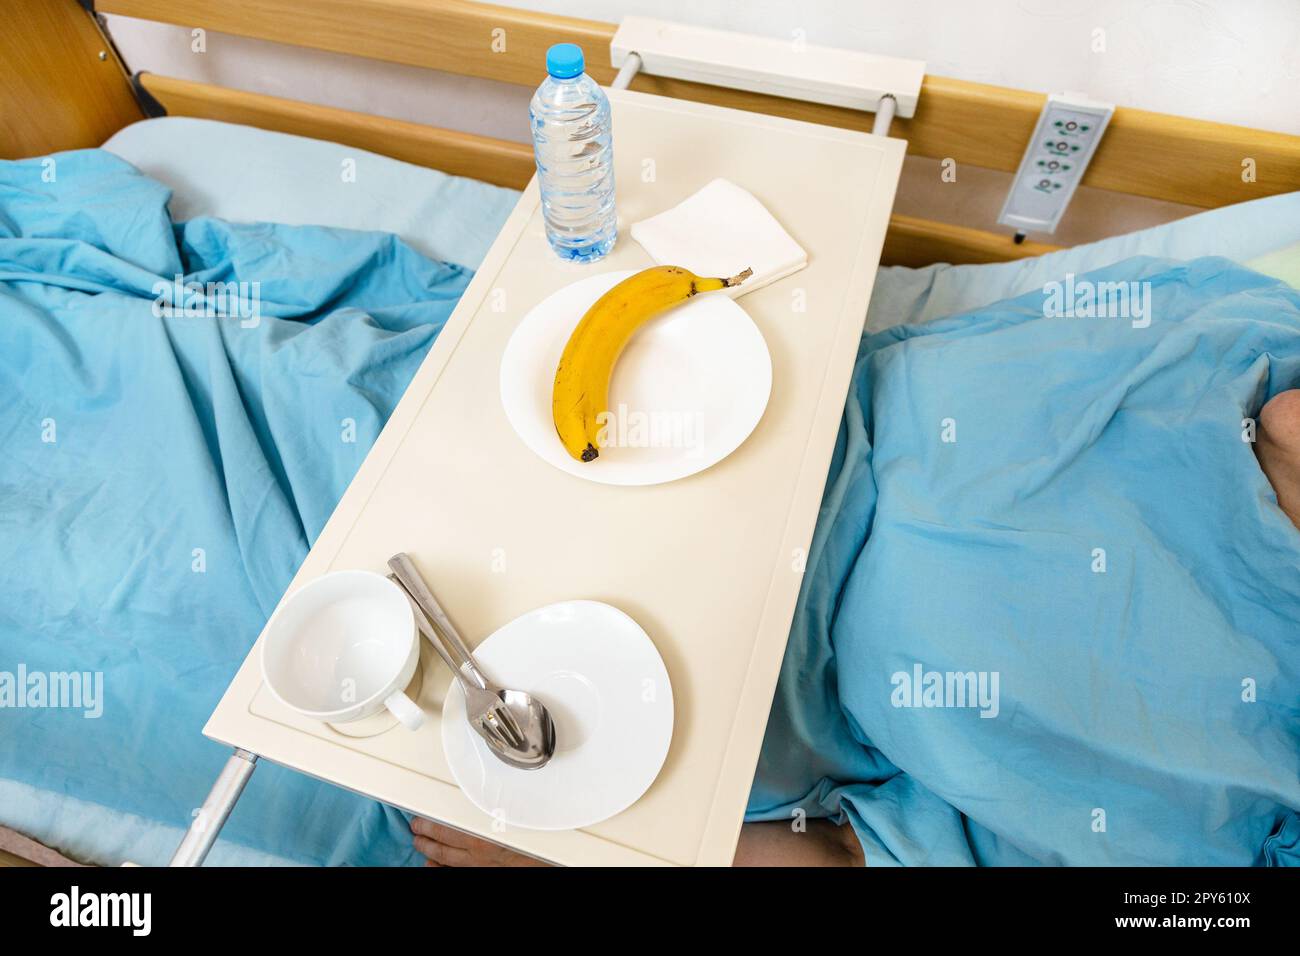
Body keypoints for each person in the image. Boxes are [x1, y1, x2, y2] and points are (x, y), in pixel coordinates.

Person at [410, 390, 1300, 867]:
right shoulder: (1239, 326)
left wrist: (592, 856)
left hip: (673, 665)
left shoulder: (1244, 810)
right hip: (683, 430)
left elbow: (848, 860)